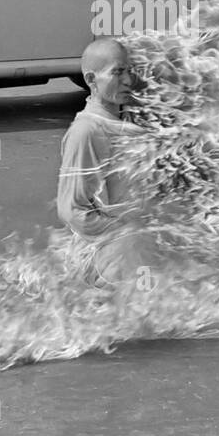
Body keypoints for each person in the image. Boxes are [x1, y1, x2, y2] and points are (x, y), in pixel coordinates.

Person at [57, 38, 152, 285]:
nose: (128, 80)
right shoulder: (87, 131)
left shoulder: (125, 121)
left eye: (130, 71)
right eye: (117, 72)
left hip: (134, 255)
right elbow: (72, 210)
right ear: (91, 80)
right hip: (111, 262)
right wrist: (123, 235)